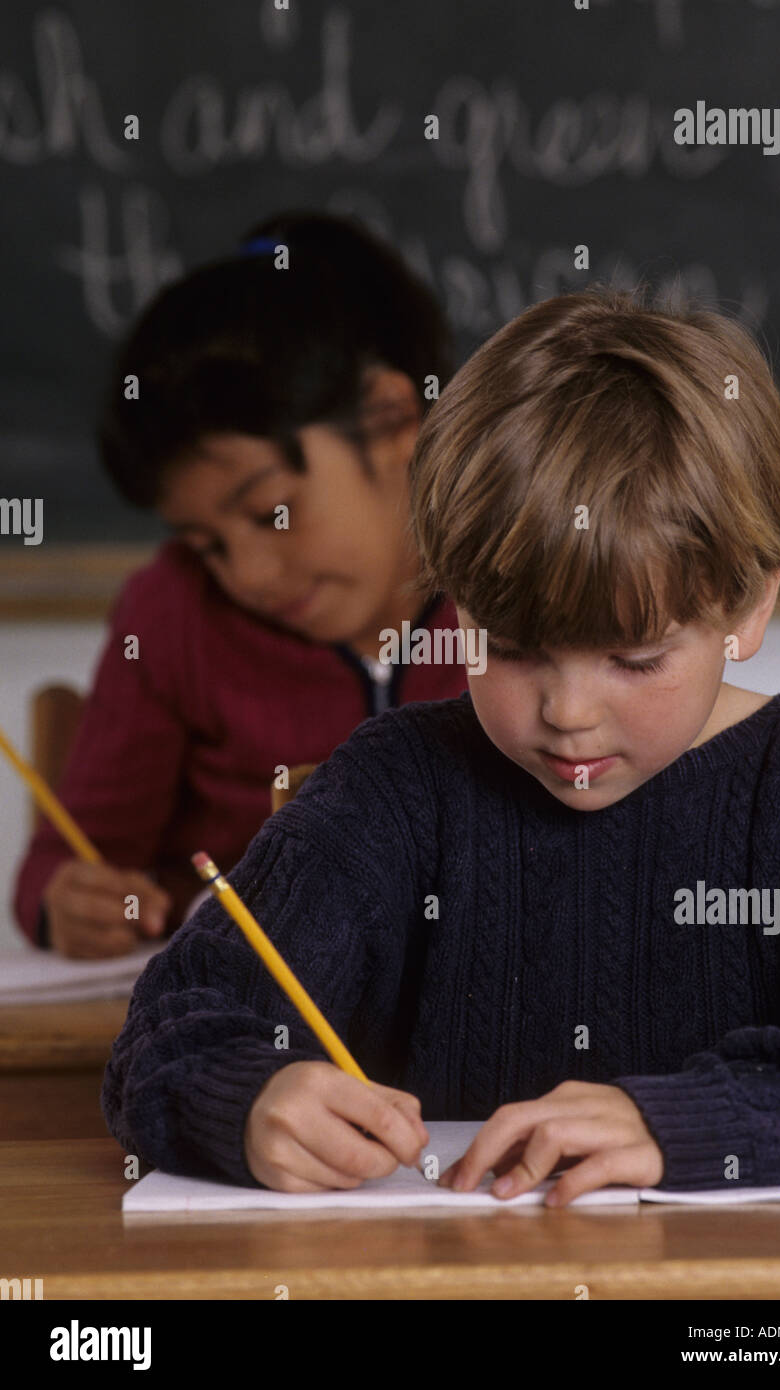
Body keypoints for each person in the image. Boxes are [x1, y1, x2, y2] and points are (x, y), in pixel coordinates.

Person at [102, 286, 780, 1202]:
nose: (570, 712)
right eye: (509, 648)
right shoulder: (394, 787)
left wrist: (684, 1120)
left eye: (634, 658)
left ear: (749, 608)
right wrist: (249, 1098)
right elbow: (171, 1026)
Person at [15, 212, 467, 957]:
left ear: (393, 419)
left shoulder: (524, 586)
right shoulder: (172, 616)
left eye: (271, 511)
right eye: (207, 544)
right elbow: (66, 865)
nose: (249, 574)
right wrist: (73, 900)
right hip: (254, 1036)